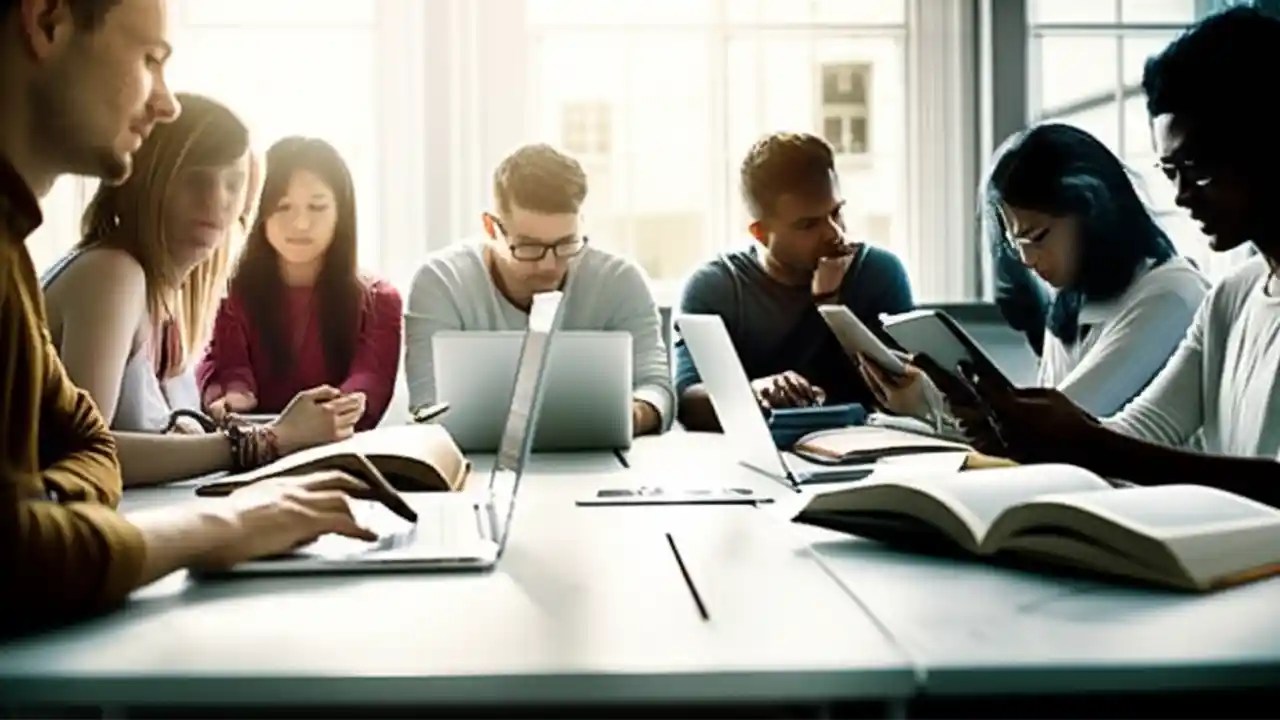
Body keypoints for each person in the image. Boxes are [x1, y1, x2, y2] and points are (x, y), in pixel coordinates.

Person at [0, 0, 374, 633]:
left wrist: (55, 500)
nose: (164, 101)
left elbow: (87, 448)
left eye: (233, 185)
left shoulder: (22, 261)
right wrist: (256, 454)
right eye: (150, 59)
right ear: (46, 22)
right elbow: (26, 535)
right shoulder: (110, 272)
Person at [935, 7, 1280, 507]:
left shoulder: (1175, 291)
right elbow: (1145, 430)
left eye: (1197, 167)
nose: (1182, 196)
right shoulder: (1232, 296)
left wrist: (1084, 440)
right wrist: (1025, 431)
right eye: (1169, 171)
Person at [41, 93, 362, 487]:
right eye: (194, 179)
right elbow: (82, 453)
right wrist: (265, 440)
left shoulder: (169, 297)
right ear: (148, 182)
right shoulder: (112, 274)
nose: (216, 201)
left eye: (233, 183)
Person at [861, 123, 1208, 424]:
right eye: (1016, 244)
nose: (1026, 260)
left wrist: (932, 400)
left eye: (1037, 237)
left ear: (1093, 210)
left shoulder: (1169, 296)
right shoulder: (1073, 297)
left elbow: (1060, 427)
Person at [405, 143, 673, 437]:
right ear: (491, 228)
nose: (549, 264)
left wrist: (629, 415)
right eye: (529, 246)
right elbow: (426, 408)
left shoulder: (621, 281)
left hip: (597, 459)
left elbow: (657, 388)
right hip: (473, 466)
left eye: (566, 243)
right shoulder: (441, 281)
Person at [674, 132, 914, 431]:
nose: (835, 234)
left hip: (869, 452)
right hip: (757, 461)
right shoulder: (715, 287)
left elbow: (905, 394)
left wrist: (831, 307)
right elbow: (687, 401)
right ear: (760, 233)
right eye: (808, 224)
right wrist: (754, 393)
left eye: (836, 212)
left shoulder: (879, 273)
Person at [197, 136, 402, 430]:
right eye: (283, 207)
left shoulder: (379, 299)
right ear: (258, 211)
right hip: (250, 451)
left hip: (339, 449)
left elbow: (370, 379)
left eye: (317, 207)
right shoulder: (228, 294)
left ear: (340, 214)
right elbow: (227, 367)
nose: (301, 224)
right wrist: (232, 396)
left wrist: (335, 409)